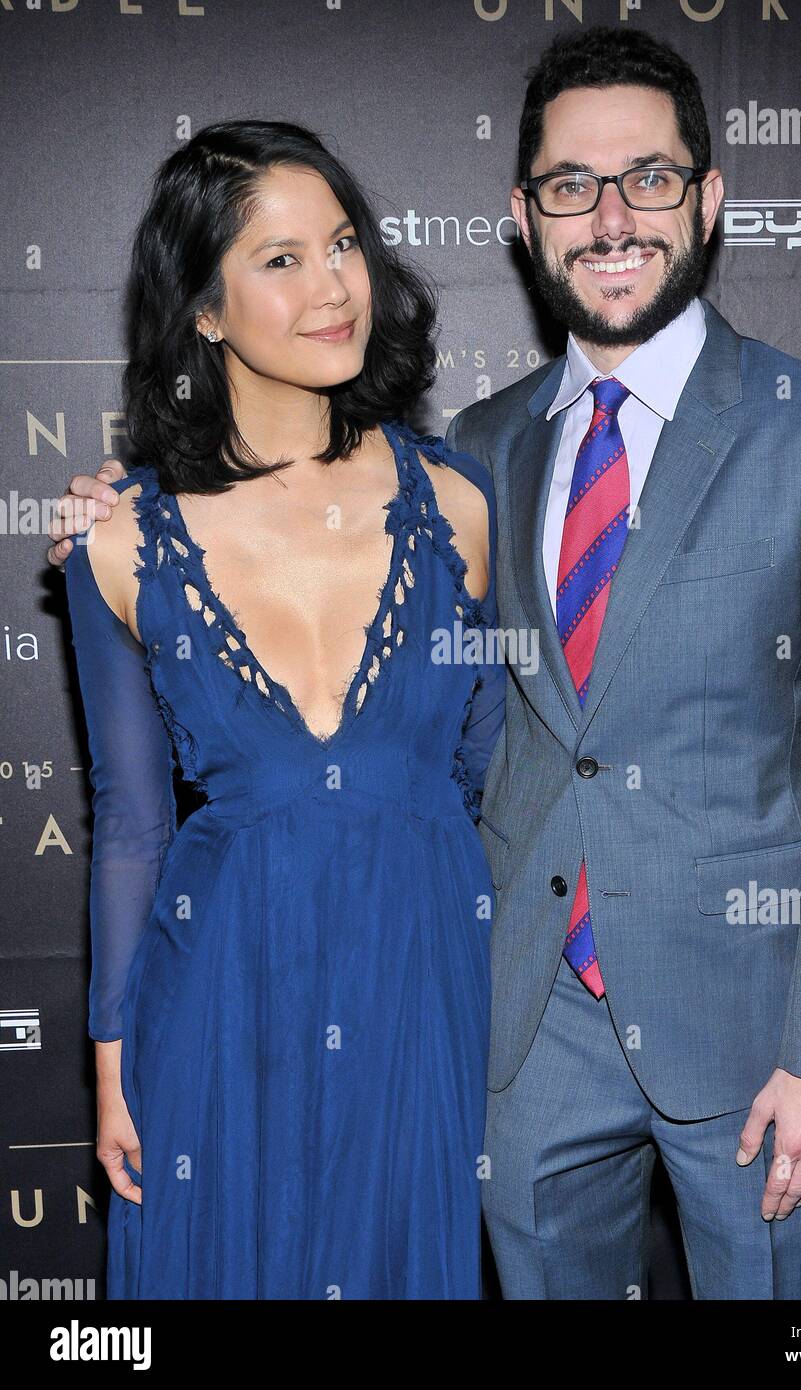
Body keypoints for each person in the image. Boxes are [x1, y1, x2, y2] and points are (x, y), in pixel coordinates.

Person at [51, 28, 801, 1302]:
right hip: (515, 1040)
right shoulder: (486, 447)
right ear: (522, 216)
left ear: (709, 197)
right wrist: (115, 509)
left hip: (745, 1042)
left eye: (649, 178)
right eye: (572, 184)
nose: (611, 216)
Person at [49, 119, 505, 1299]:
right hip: (218, 991)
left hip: (418, 983)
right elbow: (132, 824)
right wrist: (111, 1059)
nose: (333, 285)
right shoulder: (116, 539)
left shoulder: (460, 507)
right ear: (204, 311)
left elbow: (485, 784)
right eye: (282, 258)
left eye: (342, 243)